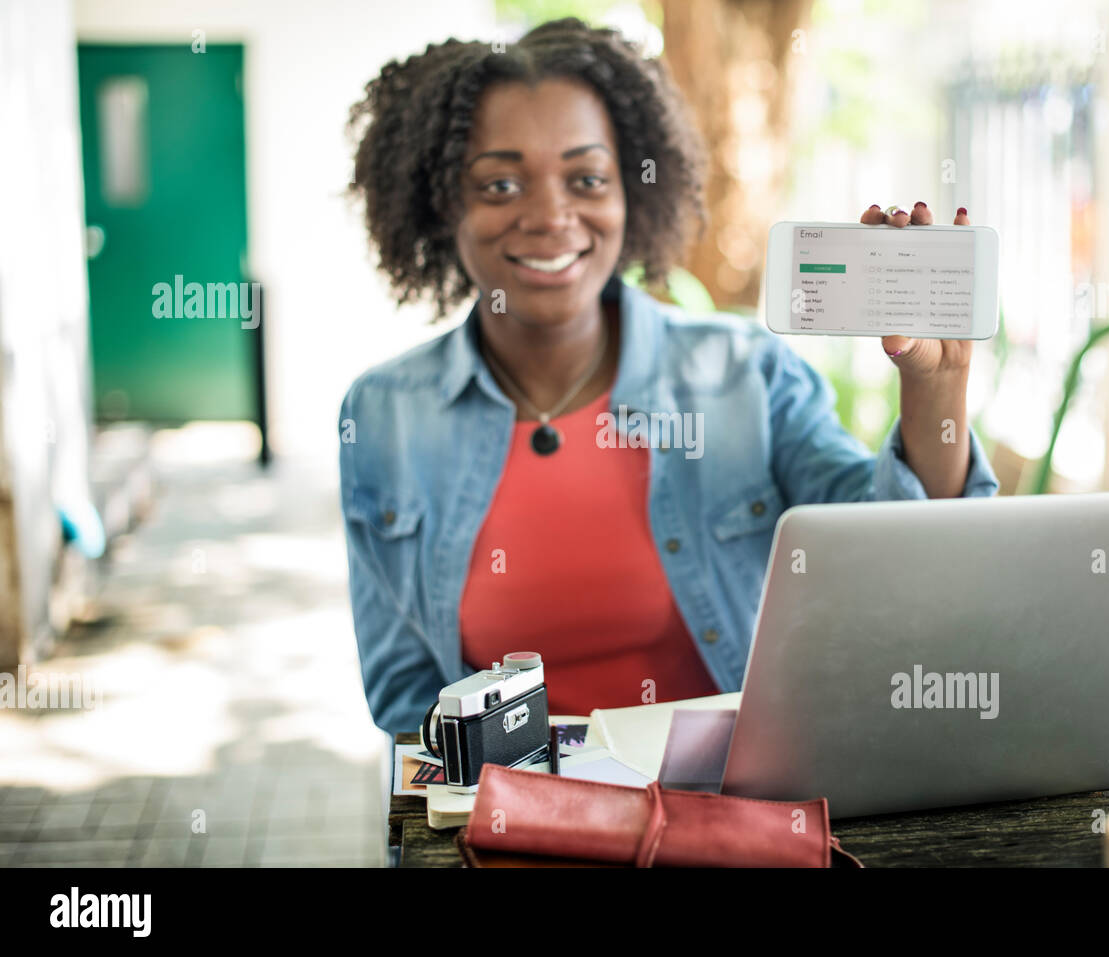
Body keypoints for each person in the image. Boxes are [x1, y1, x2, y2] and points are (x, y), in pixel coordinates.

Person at [341, 17, 998, 742]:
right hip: (515, 814)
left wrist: (935, 388)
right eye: (499, 183)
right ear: (444, 206)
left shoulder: (745, 373)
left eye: (586, 178)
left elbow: (898, 561)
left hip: (730, 806)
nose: (551, 215)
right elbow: (405, 698)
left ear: (632, 192)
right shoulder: (384, 415)